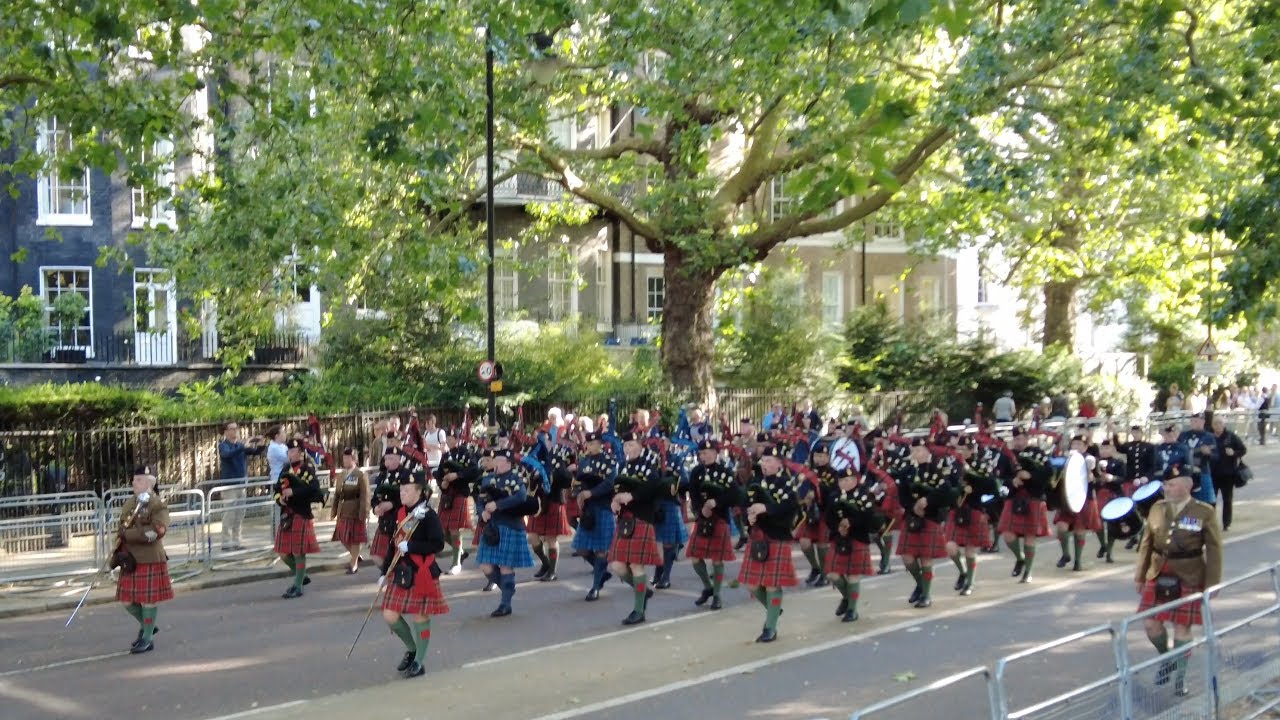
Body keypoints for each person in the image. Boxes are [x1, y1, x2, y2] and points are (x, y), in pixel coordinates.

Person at [1134, 462, 1223, 697]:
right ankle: (1167, 659)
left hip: (1190, 574)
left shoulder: (1204, 511)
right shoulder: (1157, 508)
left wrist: (1213, 583)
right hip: (1158, 570)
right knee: (1150, 624)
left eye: (1171, 484)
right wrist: (1140, 575)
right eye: (1165, 484)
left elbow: (1214, 549)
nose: (1166, 488)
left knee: (1182, 627)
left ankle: (1180, 679)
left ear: (1187, 485)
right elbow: (1146, 544)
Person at [376, 467, 448, 679]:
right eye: (401, 490)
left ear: (419, 491)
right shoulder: (401, 513)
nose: (402, 494)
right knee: (389, 614)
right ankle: (412, 648)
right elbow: (393, 544)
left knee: (420, 616)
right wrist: (384, 571)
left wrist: (413, 546)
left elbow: (438, 544)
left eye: (406, 490)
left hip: (422, 571)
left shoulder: (428, 515)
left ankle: (419, 662)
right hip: (400, 572)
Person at [739, 445, 800, 643]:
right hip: (758, 537)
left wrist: (766, 507)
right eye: (763, 461)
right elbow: (746, 505)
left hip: (777, 536)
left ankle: (770, 627)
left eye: (769, 461)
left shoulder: (786, 484)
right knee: (752, 584)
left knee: (773, 585)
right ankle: (774, 609)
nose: (765, 464)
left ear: (779, 463)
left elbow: (790, 507)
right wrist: (750, 517)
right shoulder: (756, 483)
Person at [114, 465, 174, 654]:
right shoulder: (130, 503)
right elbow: (121, 528)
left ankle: (147, 638)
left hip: (150, 559)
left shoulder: (157, 505)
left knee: (148, 601)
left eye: (138, 479)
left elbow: (157, 531)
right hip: (130, 559)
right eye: (134, 479)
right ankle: (149, 626)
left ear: (149, 483)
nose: (134, 482)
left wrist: (130, 534)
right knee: (126, 600)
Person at [608, 432, 665, 625]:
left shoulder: (649, 466)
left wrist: (633, 496)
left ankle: (639, 610)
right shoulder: (622, 467)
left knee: (635, 565)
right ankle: (644, 590)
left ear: (640, 446)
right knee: (617, 565)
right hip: (624, 520)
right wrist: (614, 501)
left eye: (632, 445)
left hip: (642, 518)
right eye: (626, 446)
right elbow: (615, 488)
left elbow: (655, 486)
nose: (628, 449)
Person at [895, 438, 957, 608]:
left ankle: (926, 595)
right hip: (912, 517)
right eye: (913, 451)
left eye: (919, 450)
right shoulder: (906, 471)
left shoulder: (938, 469)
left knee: (926, 559)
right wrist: (913, 506)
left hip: (931, 517)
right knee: (907, 558)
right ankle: (921, 584)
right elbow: (902, 496)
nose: (915, 454)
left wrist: (928, 500)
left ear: (928, 452)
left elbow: (947, 492)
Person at [476, 449, 537, 617]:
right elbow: (480, 500)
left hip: (511, 526)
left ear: (508, 462)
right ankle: (508, 589)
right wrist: (482, 512)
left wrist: (498, 505)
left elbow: (521, 497)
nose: (496, 462)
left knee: (505, 566)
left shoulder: (516, 478)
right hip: (492, 527)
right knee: (485, 566)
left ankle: (505, 604)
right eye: (496, 460)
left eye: (500, 460)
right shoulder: (488, 479)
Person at [686, 440, 742, 611]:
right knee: (695, 558)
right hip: (703, 518)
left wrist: (716, 502)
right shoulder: (696, 472)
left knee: (717, 561)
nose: (705, 456)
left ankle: (716, 595)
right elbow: (693, 495)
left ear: (716, 453)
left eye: (708, 452)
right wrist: (700, 510)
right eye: (702, 453)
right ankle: (708, 586)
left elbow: (735, 495)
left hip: (720, 519)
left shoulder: (724, 472)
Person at [825, 465, 882, 621]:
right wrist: (838, 527)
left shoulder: (864, 495)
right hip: (839, 538)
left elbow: (871, 519)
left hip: (858, 538)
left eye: (849, 479)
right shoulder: (834, 496)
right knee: (832, 574)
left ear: (855, 480)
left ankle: (852, 610)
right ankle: (847, 597)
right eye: (842, 480)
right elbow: (828, 517)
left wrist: (851, 522)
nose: (845, 483)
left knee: (853, 576)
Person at [998, 429, 1052, 583]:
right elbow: (1000, 477)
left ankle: (1028, 571)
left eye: (1021, 439)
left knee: (1030, 537)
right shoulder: (1007, 456)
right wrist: (1012, 481)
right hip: (1014, 498)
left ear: (1027, 439)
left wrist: (1031, 476)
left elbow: (1048, 473)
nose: (1018, 442)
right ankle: (1020, 558)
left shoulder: (1038, 453)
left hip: (1034, 498)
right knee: (1008, 536)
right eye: (1016, 439)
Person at [946, 438, 997, 595]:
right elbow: (947, 485)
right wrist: (958, 490)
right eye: (959, 448)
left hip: (975, 510)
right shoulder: (953, 466)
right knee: (950, 547)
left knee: (970, 550)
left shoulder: (981, 466)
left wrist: (975, 490)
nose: (960, 451)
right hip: (957, 510)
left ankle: (970, 582)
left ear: (971, 450)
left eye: (963, 448)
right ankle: (962, 572)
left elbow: (992, 489)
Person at [573, 432, 620, 601]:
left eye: (593, 443)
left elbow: (610, 483)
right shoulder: (584, 460)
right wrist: (579, 494)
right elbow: (579, 482)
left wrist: (590, 493)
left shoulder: (609, 461)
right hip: (588, 510)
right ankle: (602, 573)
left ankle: (595, 587)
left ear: (600, 443)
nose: (590, 446)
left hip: (604, 507)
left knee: (601, 550)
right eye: (588, 443)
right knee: (582, 549)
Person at [274, 439, 322, 599]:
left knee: (298, 552)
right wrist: (279, 498)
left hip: (301, 513)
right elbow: (276, 488)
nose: (290, 454)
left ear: (301, 453)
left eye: (293, 451)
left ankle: (298, 586)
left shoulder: (307, 470)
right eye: (288, 451)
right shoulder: (285, 469)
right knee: (282, 552)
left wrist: (294, 492)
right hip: (286, 514)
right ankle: (301, 576)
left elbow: (314, 489)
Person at [1052, 436, 1103, 572]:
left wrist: (1092, 478)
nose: (1076, 447)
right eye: (1074, 444)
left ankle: (1078, 561)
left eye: (1079, 444)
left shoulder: (1091, 460)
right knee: (1061, 528)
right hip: (1067, 498)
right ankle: (1066, 554)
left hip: (1085, 499)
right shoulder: (1066, 460)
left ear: (1085, 447)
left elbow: (1099, 480)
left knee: (1079, 531)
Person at [435, 432, 480, 574]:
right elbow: (439, 474)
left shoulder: (466, 453)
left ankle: (456, 564)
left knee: (455, 529)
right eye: (447, 438)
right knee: (441, 531)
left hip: (461, 493)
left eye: (450, 438)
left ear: (457, 439)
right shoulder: (445, 456)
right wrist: (442, 483)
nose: (448, 441)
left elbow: (474, 471)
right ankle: (460, 552)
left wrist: (458, 475)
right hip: (447, 495)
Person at [216, 422, 265, 551]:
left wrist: (261, 444)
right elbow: (227, 455)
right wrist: (243, 445)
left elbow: (254, 452)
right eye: (232, 429)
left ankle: (237, 541)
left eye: (236, 428)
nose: (235, 431)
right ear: (226, 432)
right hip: (229, 486)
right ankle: (226, 543)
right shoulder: (223, 445)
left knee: (240, 514)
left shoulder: (239, 445)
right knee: (229, 514)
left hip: (241, 484)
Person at [331, 448, 370, 574]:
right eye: (344, 458)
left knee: (355, 538)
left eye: (348, 458)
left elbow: (365, 495)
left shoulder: (360, 475)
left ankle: (353, 564)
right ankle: (355, 556)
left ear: (354, 459)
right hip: (343, 510)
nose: (345, 460)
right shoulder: (341, 475)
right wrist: (334, 510)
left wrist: (364, 512)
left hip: (355, 509)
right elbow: (337, 494)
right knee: (342, 536)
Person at [370, 448, 405, 570]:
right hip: (384, 520)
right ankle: (390, 574)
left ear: (399, 459)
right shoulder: (381, 476)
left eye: (391, 458)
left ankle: (392, 576)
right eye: (386, 458)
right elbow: (375, 498)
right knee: (376, 555)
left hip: (400, 520)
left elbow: (412, 497)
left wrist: (392, 504)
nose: (387, 461)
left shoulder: (405, 475)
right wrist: (375, 508)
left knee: (399, 555)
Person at [1209, 416, 1246, 531]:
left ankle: (1226, 523)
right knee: (1211, 500)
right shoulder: (1209, 437)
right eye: (1215, 423)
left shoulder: (1231, 437)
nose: (1217, 425)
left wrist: (1234, 453)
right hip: (1213, 474)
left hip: (1228, 474)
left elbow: (1243, 450)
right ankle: (1210, 523)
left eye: (1220, 423)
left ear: (1224, 424)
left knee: (1227, 500)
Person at [1178, 413, 1218, 506]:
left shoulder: (1209, 437)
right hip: (1185, 473)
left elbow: (1216, 457)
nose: (1195, 423)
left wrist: (1208, 453)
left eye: (1197, 421)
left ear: (1203, 422)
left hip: (1202, 471)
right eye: (1193, 421)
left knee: (1207, 502)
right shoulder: (1183, 435)